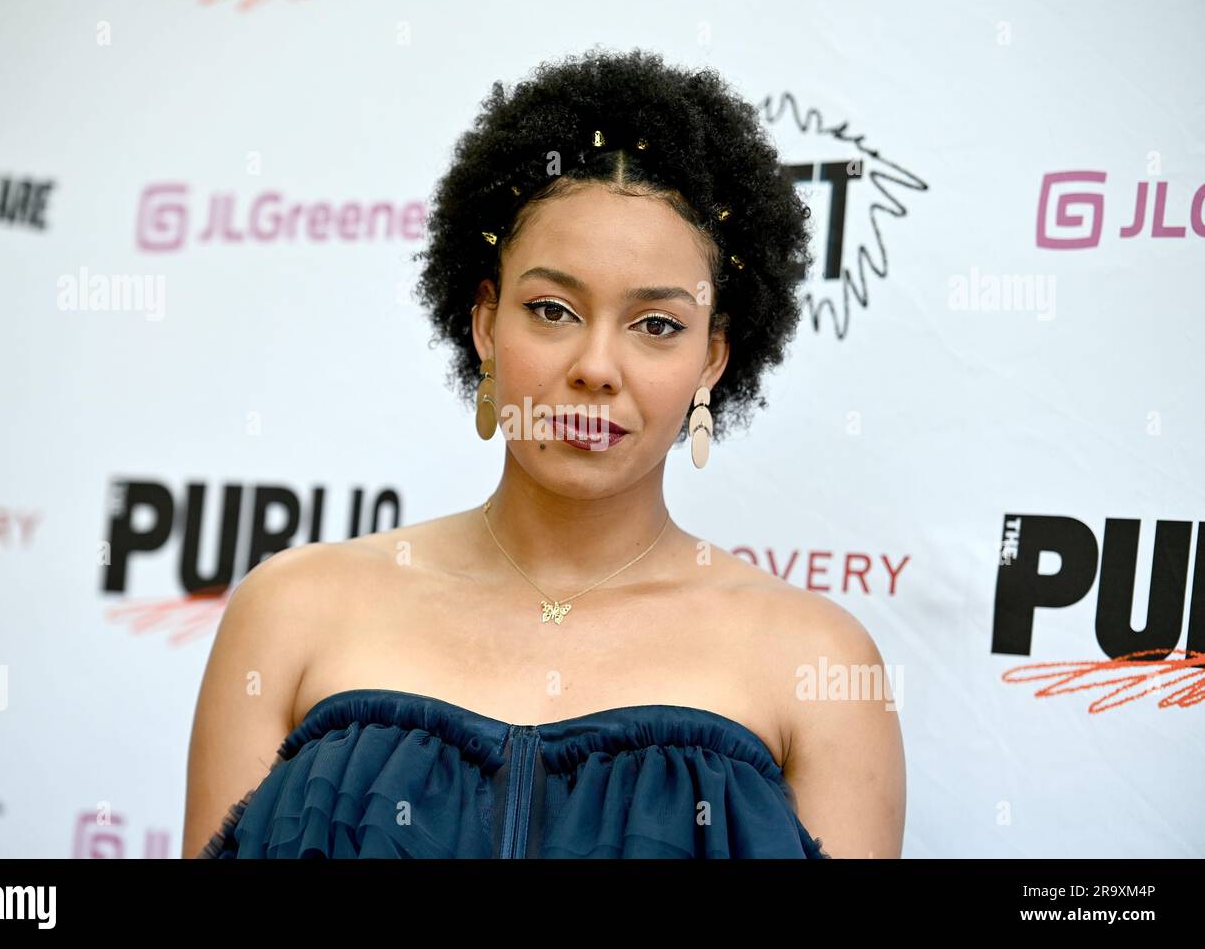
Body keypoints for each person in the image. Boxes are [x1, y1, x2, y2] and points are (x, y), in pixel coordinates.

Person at [182, 46, 905, 858]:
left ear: (712, 358)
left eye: (656, 325)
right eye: (554, 309)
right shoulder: (291, 612)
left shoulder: (818, 664)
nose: (596, 366)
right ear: (487, 323)